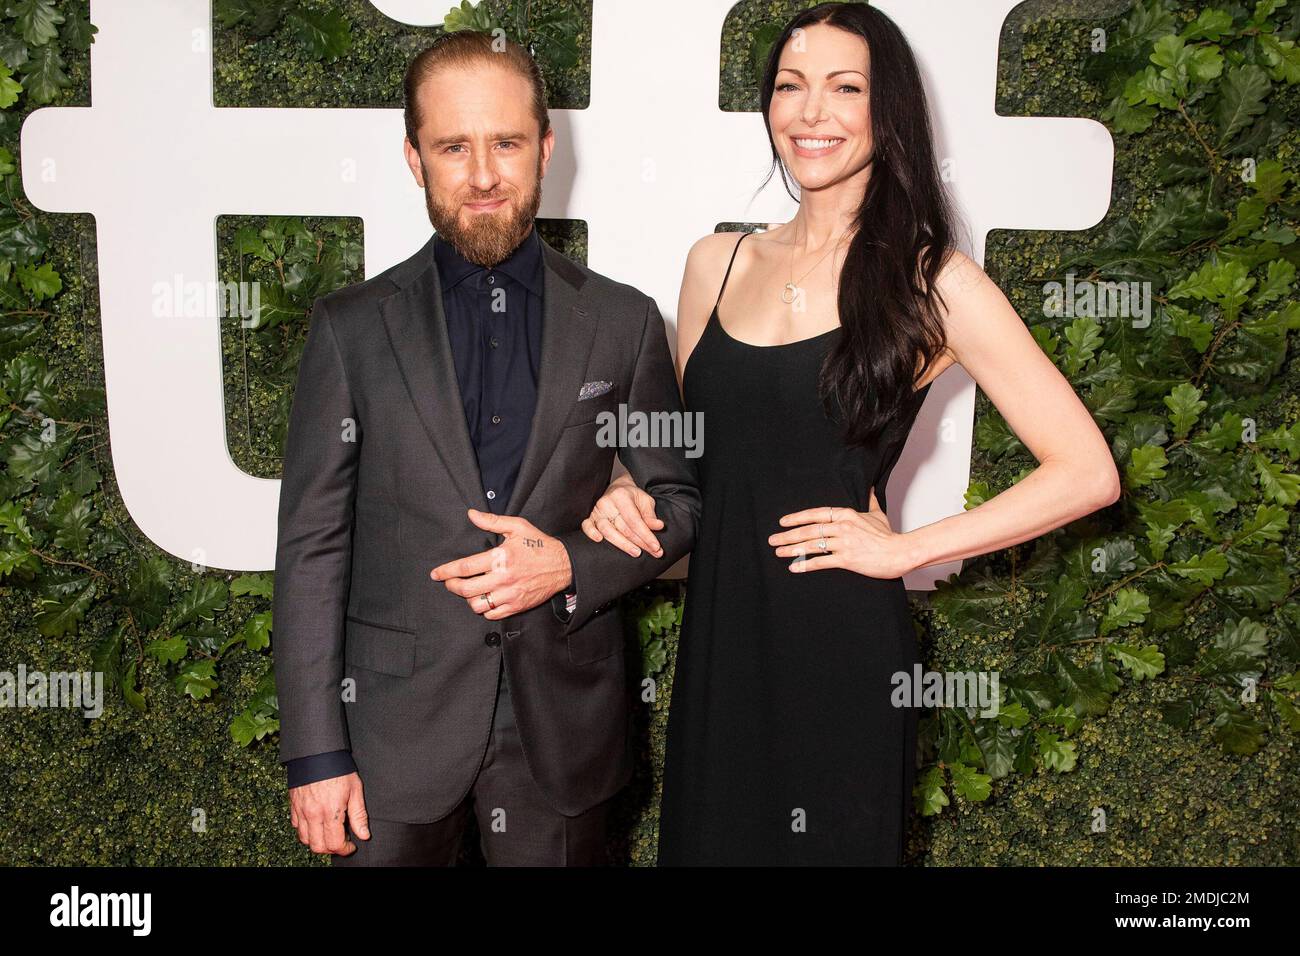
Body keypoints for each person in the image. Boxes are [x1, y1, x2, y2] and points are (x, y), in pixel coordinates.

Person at [581, 2, 1120, 865]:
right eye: (790, 86)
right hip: (722, 638)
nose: (810, 112)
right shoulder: (714, 263)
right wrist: (622, 481)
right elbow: (674, 452)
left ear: (887, 107)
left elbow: (1087, 469)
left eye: (844, 87)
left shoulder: (930, 282)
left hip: (838, 643)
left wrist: (909, 550)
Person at [272, 30, 700, 866]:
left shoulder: (622, 322)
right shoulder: (350, 330)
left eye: (505, 143)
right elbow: (311, 551)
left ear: (544, 148)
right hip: (388, 741)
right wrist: (317, 753)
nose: (481, 176)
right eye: (452, 147)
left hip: (564, 739)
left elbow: (682, 503)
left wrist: (573, 562)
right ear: (413, 157)